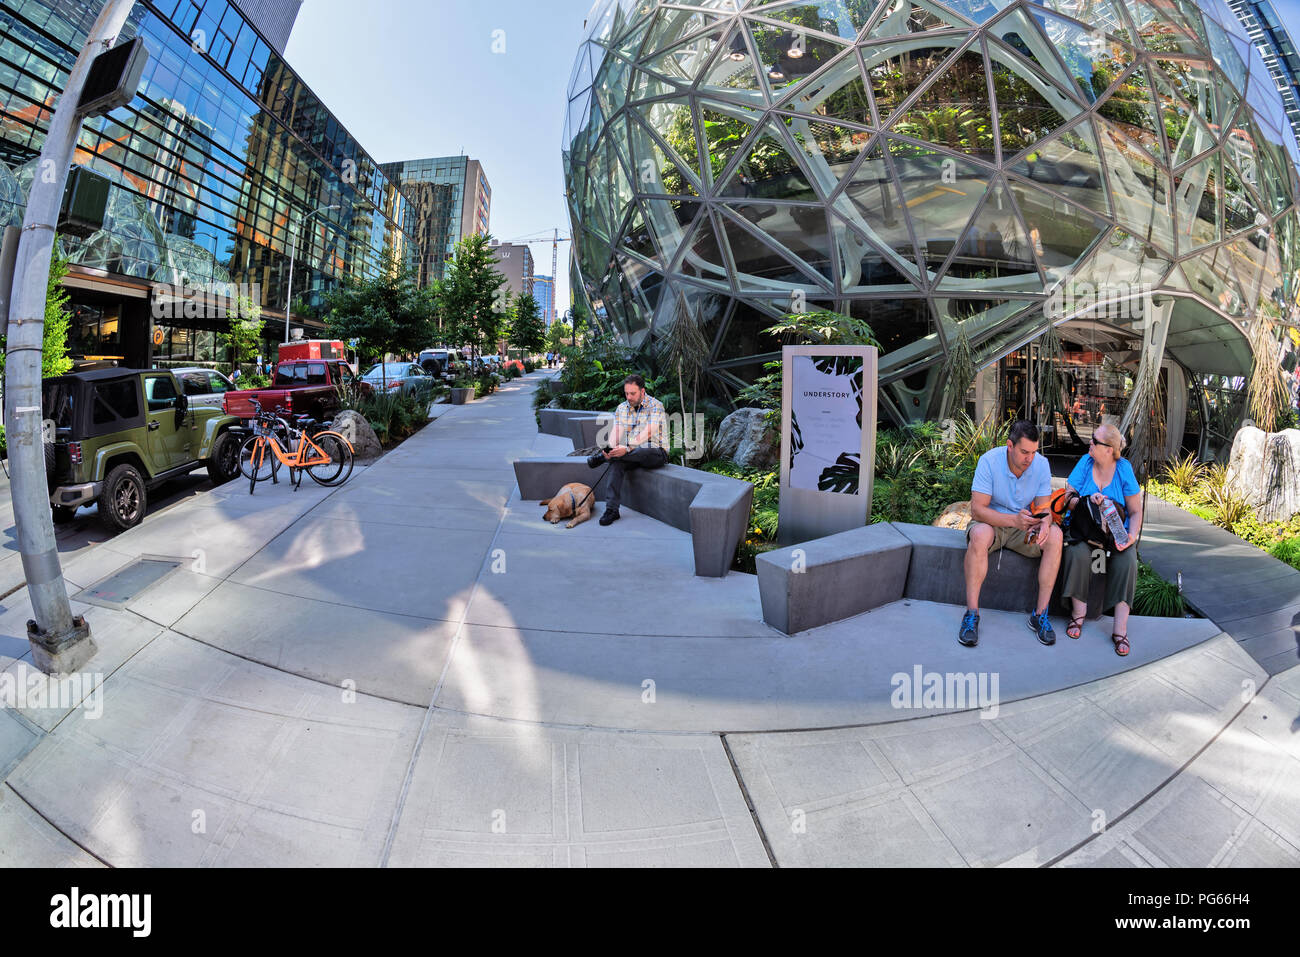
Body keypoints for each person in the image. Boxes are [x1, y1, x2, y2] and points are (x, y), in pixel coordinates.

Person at [960, 420, 1064, 648]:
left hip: (1023, 526)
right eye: (1024, 452)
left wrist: (1045, 523)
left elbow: (1044, 508)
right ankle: (972, 615)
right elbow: (977, 510)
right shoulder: (989, 461)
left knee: (1056, 537)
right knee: (979, 535)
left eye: (1034, 452)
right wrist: (1013, 521)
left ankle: (1040, 615)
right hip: (991, 522)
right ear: (1010, 445)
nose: (1030, 458)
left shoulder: (1041, 464)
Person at [1059, 423, 1144, 657]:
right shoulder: (1085, 462)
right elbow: (1067, 498)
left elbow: (1135, 511)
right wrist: (1087, 500)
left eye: (1095, 441)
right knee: (1076, 552)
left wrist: (1131, 537)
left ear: (1109, 449)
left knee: (1127, 560)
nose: (1090, 443)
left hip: (1114, 532)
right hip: (1084, 529)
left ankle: (1120, 630)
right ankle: (1078, 613)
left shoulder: (1124, 469)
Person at [597, 374, 669, 527]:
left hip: (655, 452)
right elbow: (617, 431)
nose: (629, 397)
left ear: (642, 391)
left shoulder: (656, 406)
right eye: (626, 393)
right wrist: (609, 450)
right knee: (617, 462)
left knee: (644, 448)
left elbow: (648, 432)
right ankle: (612, 510)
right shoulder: (622, 408)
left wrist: (627, 447)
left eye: (632, 393)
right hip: (632, 454)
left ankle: (602, 458)